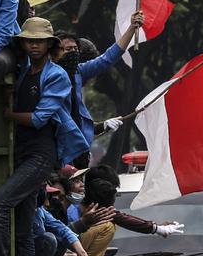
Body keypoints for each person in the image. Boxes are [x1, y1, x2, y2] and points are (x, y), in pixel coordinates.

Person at [0, 17, 90, 256]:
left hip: (41, 156)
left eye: (40, 41)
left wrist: (9, 114)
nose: (34, 45)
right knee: (26, 232)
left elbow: (40, 118)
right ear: (23, 44)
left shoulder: (56, 76)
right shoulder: (25, 68)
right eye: (29, 40)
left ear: (50, 45)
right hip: (25, 152)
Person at [46, 12, 146, 159]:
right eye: (68, 50)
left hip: (80, 148)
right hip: (57, 147)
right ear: (54, 54)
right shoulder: (46, 76)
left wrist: (131, 28)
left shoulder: (78, 71)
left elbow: (108, 58)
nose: (73, 53)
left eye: (75, 49)